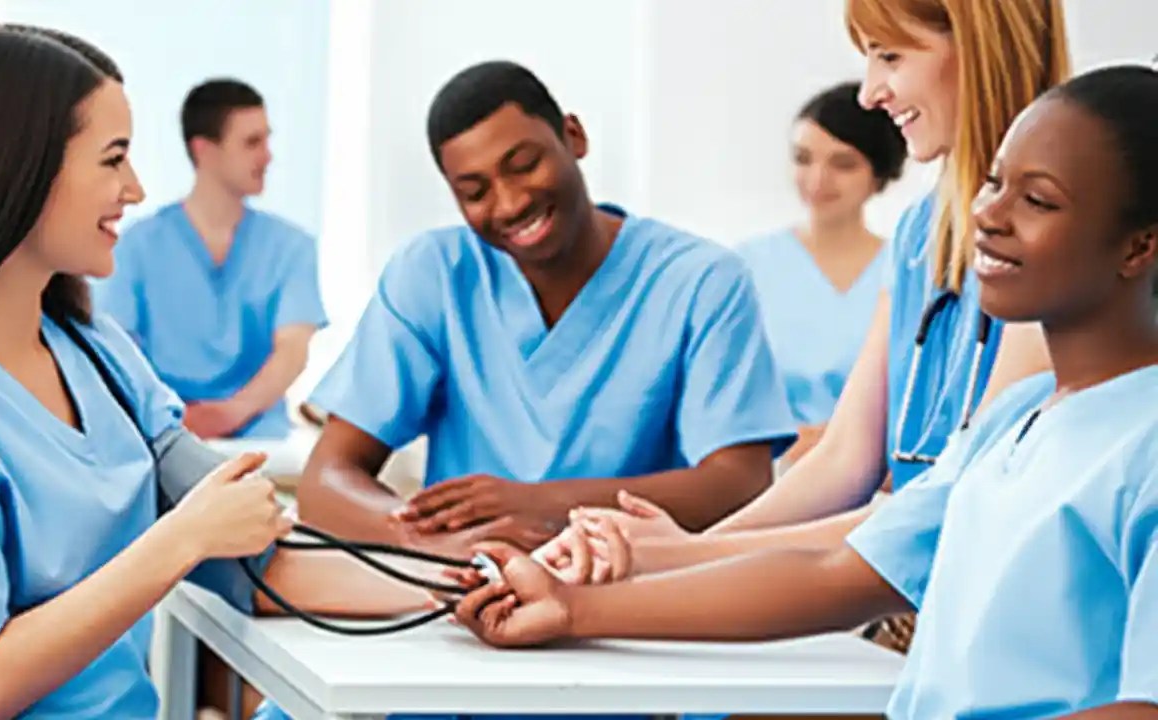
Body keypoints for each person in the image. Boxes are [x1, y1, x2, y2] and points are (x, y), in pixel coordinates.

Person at [455, 63, 1158, 720]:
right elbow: (834, 573)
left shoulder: (1143, 445)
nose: (988, 215)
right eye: (994, 183)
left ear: (1139, 246)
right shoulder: (1010, 424)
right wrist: (573, 609)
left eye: (1036, 200)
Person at [0, 24, 448, 719]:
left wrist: (461, 581)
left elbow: (261, 565)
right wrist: (185, 537)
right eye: (113, 159)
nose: (137, 187)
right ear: (19, 168)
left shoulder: (96, 351)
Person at [538, 0, 1072, 605]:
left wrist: (679, 556)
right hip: (903, 591)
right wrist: (677, 549)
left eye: (890, 57)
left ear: (977, 48)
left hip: (980, 600)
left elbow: (947, 504)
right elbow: (847, 460)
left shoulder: (1058, 241)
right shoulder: (923, 233)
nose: (870, 94)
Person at [293, 59, 797, 563]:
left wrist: (544, 505)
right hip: (463, 599)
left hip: (636, 598)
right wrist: (431, 542)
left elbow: (740, 483)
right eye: (475, 192)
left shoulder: (701, 280)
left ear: (573, 137)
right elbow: (327, 479)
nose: (509, 203)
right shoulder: (434, 273)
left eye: (524, 165)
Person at [95, 78, 328, 440]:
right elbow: (116, 350)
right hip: (162, 428)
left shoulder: (290, 247)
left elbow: (292, 351)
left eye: (267, 140)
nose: (267, 156)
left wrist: (230, 414)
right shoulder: (137, 247)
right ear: (204, 150)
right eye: (252, 143)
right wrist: (170, 419)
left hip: (259, 435)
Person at [736, 80, 907, 464]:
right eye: (802, 158)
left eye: (843, 164)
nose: (817, 180)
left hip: (878, 475)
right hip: (771, 473)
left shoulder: (909, 271)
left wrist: (841, 445)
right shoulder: (746, 268)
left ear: (879, 173)